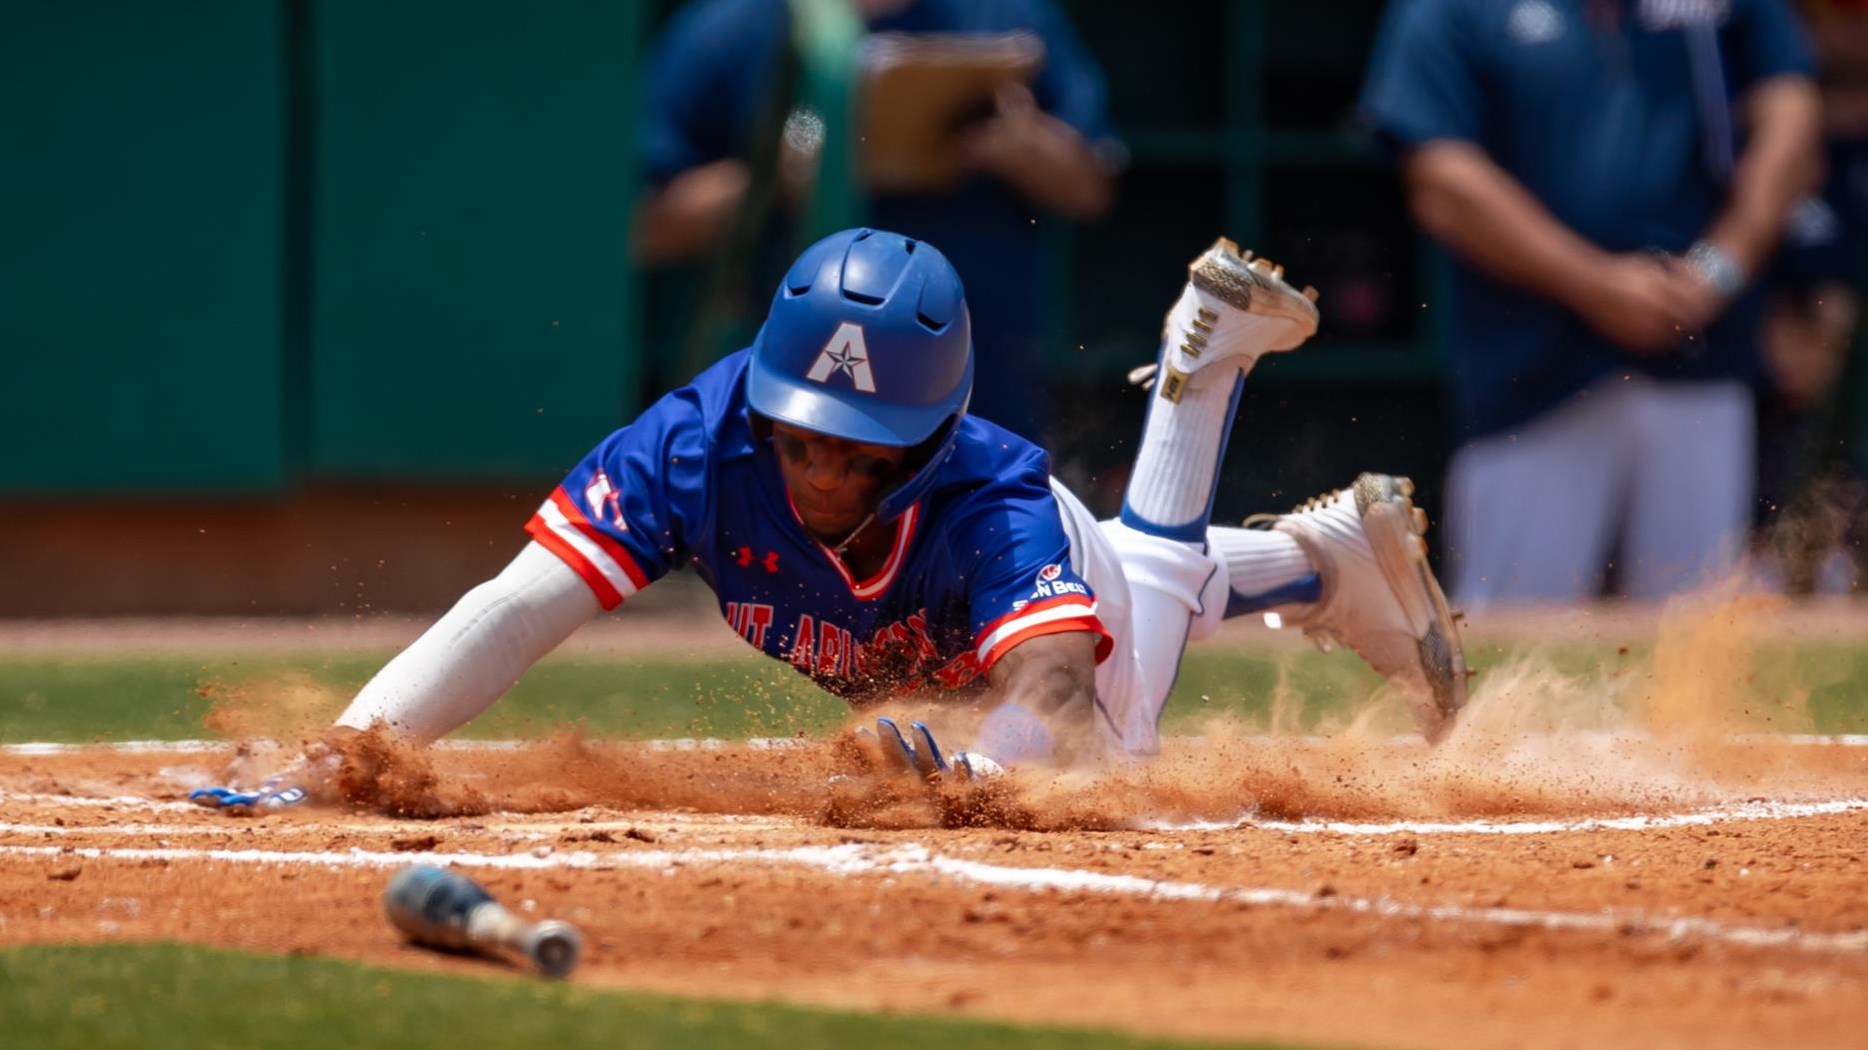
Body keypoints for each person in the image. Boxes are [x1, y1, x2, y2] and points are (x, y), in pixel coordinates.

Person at [190, 229, 1466, 810]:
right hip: (1007, 623)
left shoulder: (993, 501)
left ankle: (1203, 365)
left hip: (1075, 608)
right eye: (795, 434)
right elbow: (517, 608)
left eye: (856, 451)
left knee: (1114, 760)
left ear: (928, 437)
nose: (813, 470)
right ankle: (1318, 559)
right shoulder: (694, 441)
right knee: (1157, 590)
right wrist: (353, 744)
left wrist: (980, 770)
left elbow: (1057, 703)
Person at [1359, 0, 1822, 605]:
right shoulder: (1454, 10)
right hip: (1532, 372)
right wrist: (1594, 283)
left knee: (1701, 634)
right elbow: (1440, 179)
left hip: (1699, 353)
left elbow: (1791, 110)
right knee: (1512, 633)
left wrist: (1720, 267)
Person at [632, 0, 1120, 445]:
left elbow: (1091, 187)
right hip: (786, 408)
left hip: (979, 400)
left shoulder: (1007, 15)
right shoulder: (729, 30)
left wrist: (1017, 141)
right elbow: (645, 228)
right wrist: (776, 177)